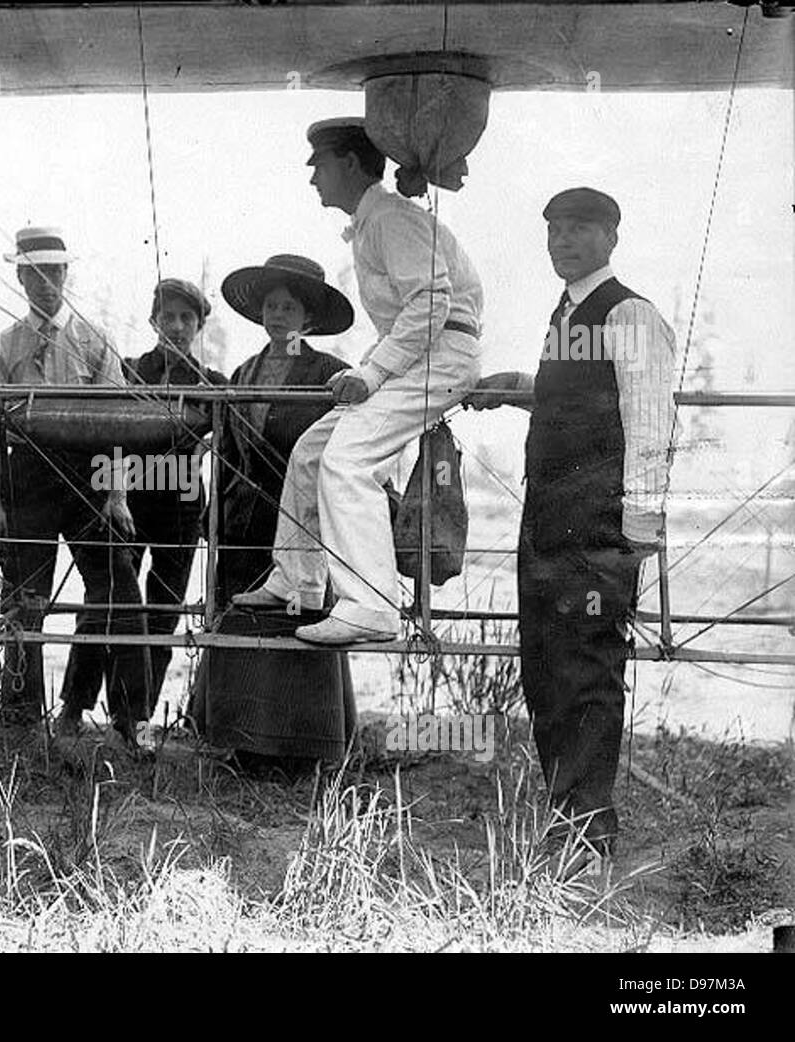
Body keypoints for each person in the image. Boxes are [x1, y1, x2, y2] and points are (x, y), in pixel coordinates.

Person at [467, 187, 675, 866]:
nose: (563, 239)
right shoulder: (567, 313)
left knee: (585, 664)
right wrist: (518, 385)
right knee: (546, 663)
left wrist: (639, 524)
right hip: (547, 519)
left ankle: (588, 826)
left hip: (598, 525)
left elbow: (649, 422)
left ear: (611, 237)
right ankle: (567, 812)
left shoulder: (630, 313)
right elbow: (580, 400)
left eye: (579, 228)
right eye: (554, 228)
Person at [233, 118, 484, 645]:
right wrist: (367, 367)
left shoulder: (392, 220)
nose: (313, 180)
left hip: (443, 355)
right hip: (420, 351)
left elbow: (434, 302)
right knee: (309, 453)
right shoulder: (374, 225)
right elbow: (409, 318)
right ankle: (296, 579)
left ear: (349, 165)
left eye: (319, 167)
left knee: (347, 461)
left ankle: (370, 603)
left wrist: (372, 372)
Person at [0, 227, 151, 748]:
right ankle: (21, 719)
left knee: (118, 587)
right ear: (21, 276)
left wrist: (117, 494)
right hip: (26, 476)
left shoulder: (95, 340)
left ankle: (131, 717)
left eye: (55, 272)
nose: (46, 283)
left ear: (66, 275)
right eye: (35, 273)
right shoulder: (2, 347)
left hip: (89, 474)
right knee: (23, 599)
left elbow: (120, 422)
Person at [189, 255, 357, 769]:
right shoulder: (244, 373)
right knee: (243, 623)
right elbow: (231, 454)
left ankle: (303, 750)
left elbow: (343, 453)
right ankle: (241, 743)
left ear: (308, 318)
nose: (278, 315)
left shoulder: (331, 375)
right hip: (246, 518)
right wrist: (215, 512)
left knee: (298, 624)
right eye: (270, 305)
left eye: (289, 306)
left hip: (301, 522)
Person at [58, 278, 226, 734]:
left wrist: (211, 501)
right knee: (107, 601)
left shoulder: (212, 384)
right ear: (153, 320)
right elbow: (104, 432)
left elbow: (227, 447)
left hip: (182, 505)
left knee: (163, 611)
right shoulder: (128, 371)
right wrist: (115, 495)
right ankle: (73, 707)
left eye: (186, 318)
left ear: (199, 325)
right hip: (127, 500)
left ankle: (136, 719)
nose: (176, 326)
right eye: (167, 317)